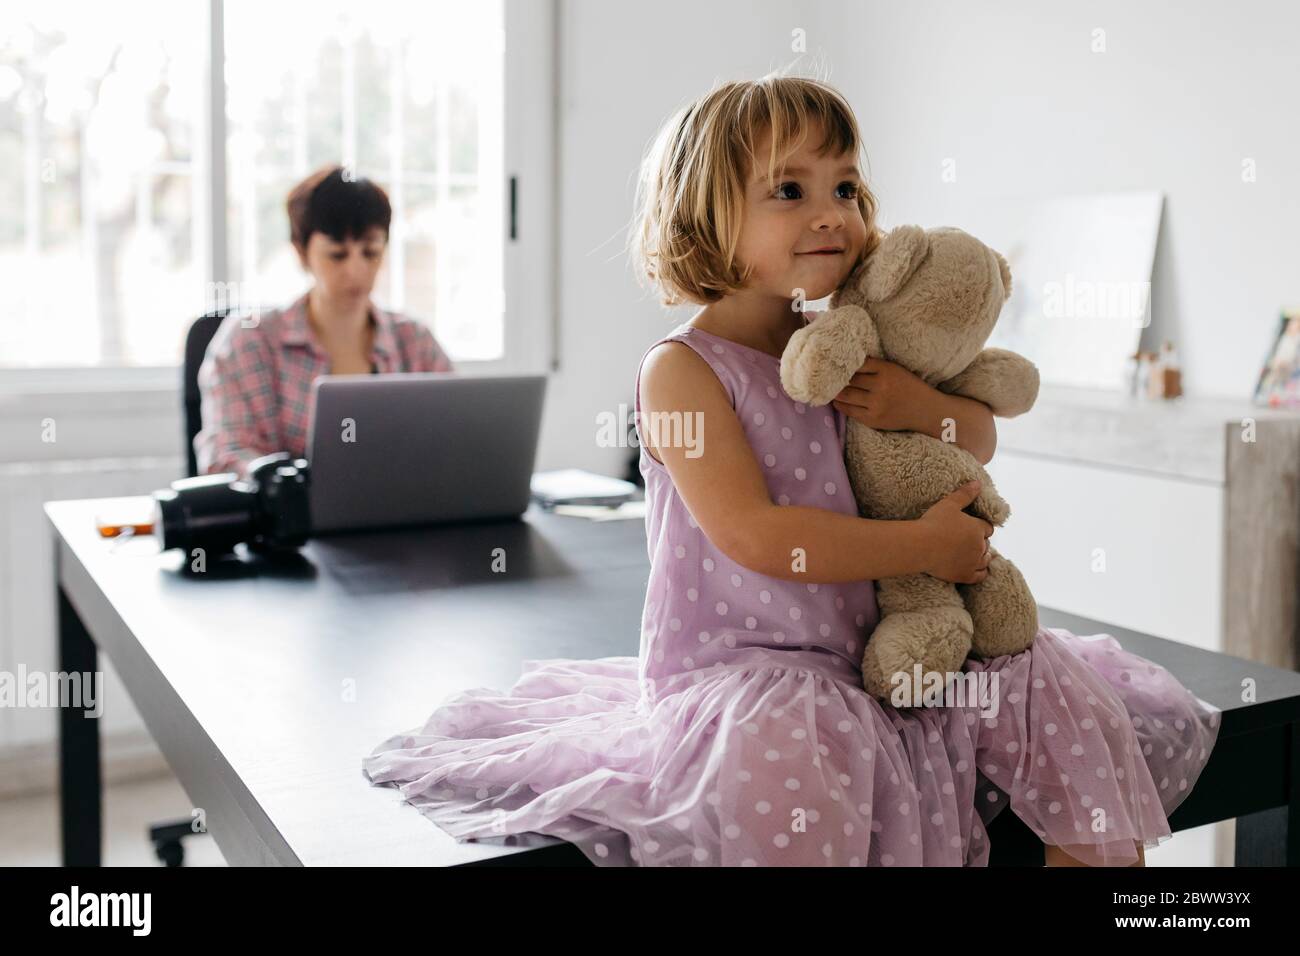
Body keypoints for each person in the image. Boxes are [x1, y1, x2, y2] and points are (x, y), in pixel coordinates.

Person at [361, 74, 1220, 866]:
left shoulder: (850, 340)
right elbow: (756, 534)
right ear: (706, 214)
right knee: (794, 751)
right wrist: (921, 543)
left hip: (876, 646)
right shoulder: (685, 369)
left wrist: (918, 408)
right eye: (790, 190)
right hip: (751, 665)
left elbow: (978, 437)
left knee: (1043, 682)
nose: (831, 213)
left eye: (845, 187)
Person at [194, 164, 453, 478]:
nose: (356, 271)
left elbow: (456, 436)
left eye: (370, 252)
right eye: (337, 255)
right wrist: (287, 484)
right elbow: (226, 454)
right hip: (289, 523)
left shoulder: (414, 341)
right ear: (301, 252)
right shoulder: (249, 341)